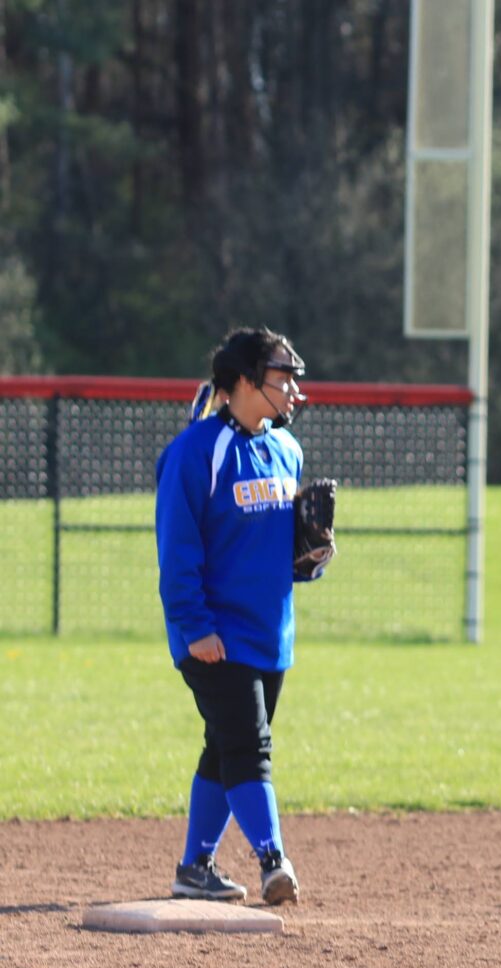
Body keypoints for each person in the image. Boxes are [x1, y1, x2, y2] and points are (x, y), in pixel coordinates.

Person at [155, 326, 322, 906]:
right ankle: (274, 861)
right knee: (250, 748)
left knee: (224, 746)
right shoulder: (195, 452)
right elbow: (177, 549)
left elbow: (282, 555)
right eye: (282, 377)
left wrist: (311, 557)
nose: (293, 389)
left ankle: (194, 868)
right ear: (246, 381)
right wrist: (194, 626)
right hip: (215, 635)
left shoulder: (286, 450)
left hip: (270, 632)